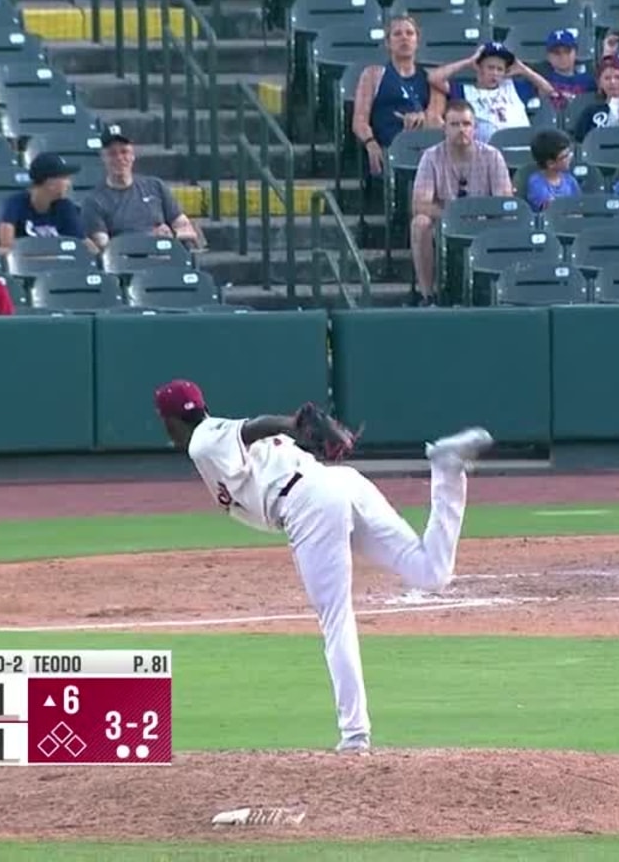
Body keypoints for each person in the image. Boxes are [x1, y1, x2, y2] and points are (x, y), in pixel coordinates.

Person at [153, 378, 494, 754]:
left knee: (336, 619)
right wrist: (296, 428)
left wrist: (293, 423)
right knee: (432, 573)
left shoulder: (204, 438)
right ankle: (447, 469)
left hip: (308, 504)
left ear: (169, 422)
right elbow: (249, 434)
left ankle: (354, 735)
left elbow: (253, 427)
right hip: (339, 485)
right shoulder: (217, 439)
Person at [410, 99, 515, 304]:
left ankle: (503, 294)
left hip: (485, 223)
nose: (461, 130)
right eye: (455, 124)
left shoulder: (493, 156)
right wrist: (455, 217)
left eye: (466, 124)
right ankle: (428, 296)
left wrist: (476, 218)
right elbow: (419, 204)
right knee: (419, 223)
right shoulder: (431, 157)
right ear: (445, 128)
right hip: (444, 222)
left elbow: (504, 203)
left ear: (474, 128)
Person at [352, 14, 444, 177]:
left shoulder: (432, 77)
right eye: (397, 34)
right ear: (388, 43)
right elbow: (359, 121)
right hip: (388, 146)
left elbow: (436, 117)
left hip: (424, 149)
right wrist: (370, 143)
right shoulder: (373, 74)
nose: (404, 38)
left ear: (417, 41)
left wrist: (422, 117)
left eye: (409, 33)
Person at [83, 126, 203, 251]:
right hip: (127, 263)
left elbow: (188, 230)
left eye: (124, 152)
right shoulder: (93, 201)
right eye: (112, 154)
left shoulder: (156, 186)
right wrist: (150, 238)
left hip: (165, 257)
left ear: (133, 156)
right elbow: (105, 248)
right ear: (103, 158)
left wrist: (172, 235)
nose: (119, 158)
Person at [429, 42, 555, 144]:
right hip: (485, 154)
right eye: (490, 67)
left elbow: (549, 91)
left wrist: (524, 70)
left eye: (500, 69)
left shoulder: (514, 87)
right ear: (479, 68)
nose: (495, 73)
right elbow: (434, 78)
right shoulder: (465, 91)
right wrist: (468, 62)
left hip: (520, 149)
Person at [0, 153, 87, 252]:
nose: (69, 183)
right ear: (50, 182)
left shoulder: (66, 207)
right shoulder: (15, 204)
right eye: (65, 178)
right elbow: (7, 248)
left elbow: (82, 245)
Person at [524, 128, 581, 212]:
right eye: (565, 156)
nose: (570, 156)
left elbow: (578, 206)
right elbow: (550, 208)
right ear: (551, 164)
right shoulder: (536, 182)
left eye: (570, 153)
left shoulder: (570, 181)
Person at [538, 28, 596, 108]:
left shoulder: (590, 82)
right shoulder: (541, 82)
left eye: (567, 51)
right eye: (556, 52)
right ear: (548, 56)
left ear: (575, 52)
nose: (562, 56)